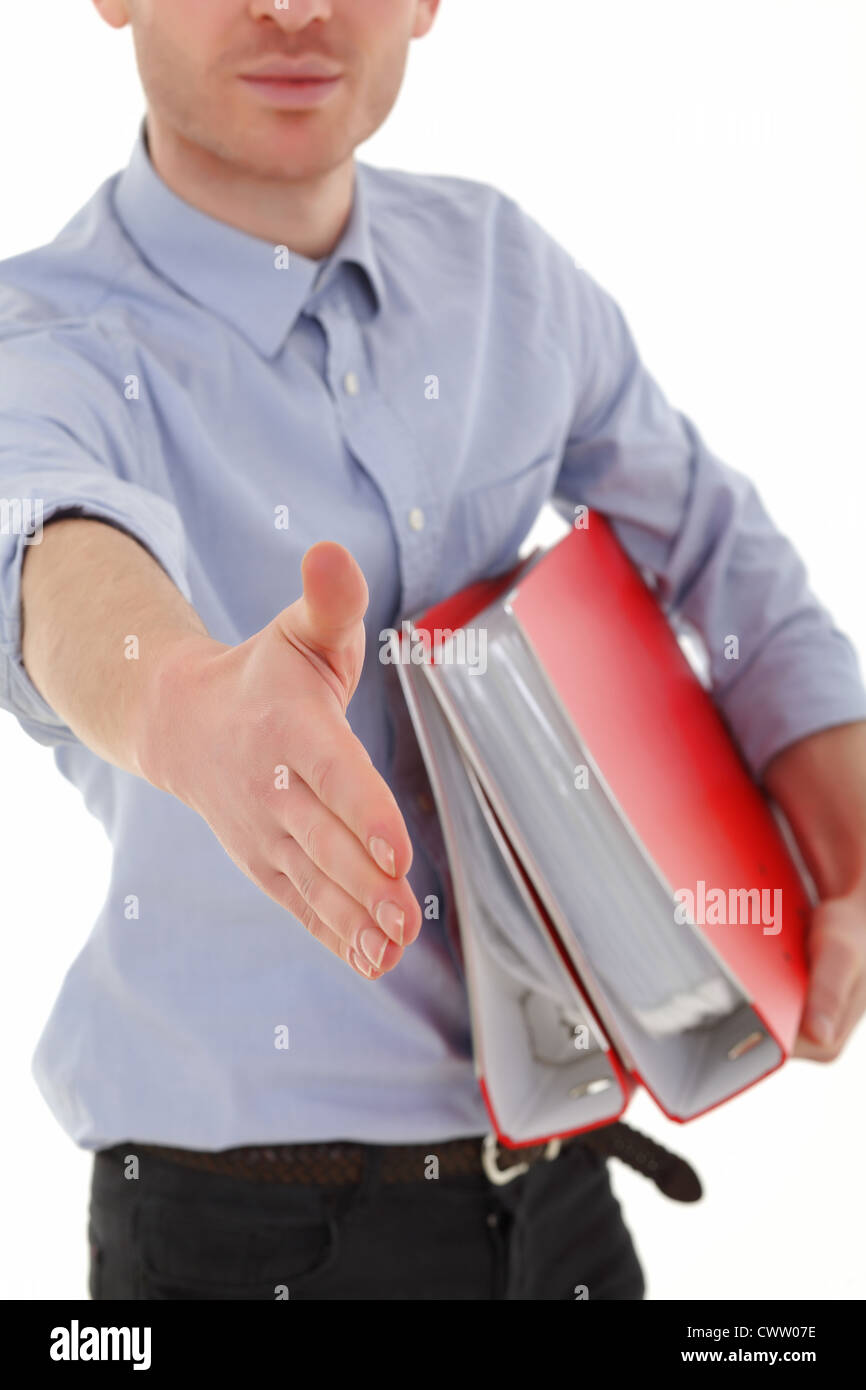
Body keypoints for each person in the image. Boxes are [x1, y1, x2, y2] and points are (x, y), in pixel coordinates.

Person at [2, 0, 865, 1302]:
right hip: (245, 1233)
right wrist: (182, 702)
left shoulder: (502, 273)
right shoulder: (42, 337)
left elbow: (719, 548)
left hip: (564, 1189)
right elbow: (46, 550)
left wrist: (849, 841)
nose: (293, 7)